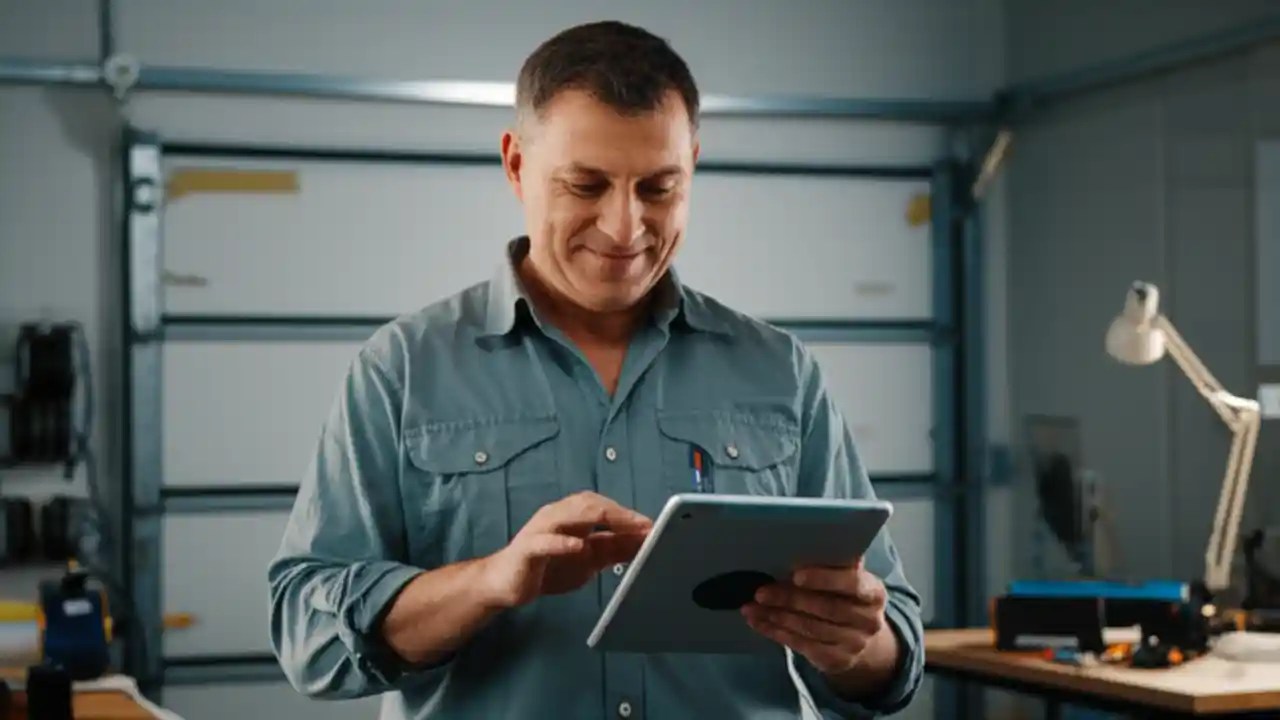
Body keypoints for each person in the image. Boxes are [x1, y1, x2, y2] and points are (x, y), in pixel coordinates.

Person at [268, 19, 924, 719]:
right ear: (516, 164)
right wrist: (488, 583)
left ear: (693, 165)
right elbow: (308, 633)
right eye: (585, 186)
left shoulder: (781, 372)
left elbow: (893, 655)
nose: (624, 227)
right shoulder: (402, 368)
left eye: (659, 188)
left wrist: (856, 645)